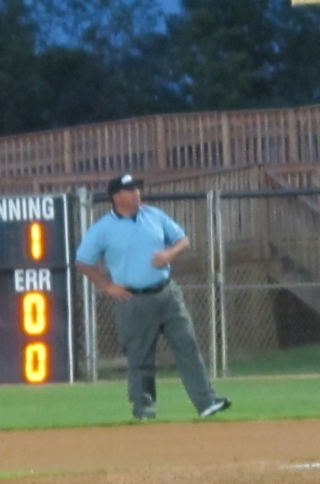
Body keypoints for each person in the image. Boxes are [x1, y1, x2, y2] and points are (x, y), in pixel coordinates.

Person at [75, 173, 230, 421]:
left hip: (166, 292)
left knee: (187, 346)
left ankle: (206, 402)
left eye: (137, 188)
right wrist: (107, 286)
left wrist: (169, 255)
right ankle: (144, 409)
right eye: (130, 189)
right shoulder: (103, 228)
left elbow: (183, 240)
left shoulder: (153, 215)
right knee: (140, 357)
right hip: (133, 300)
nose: (136, 193)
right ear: (116, 196)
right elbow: (83, 261)